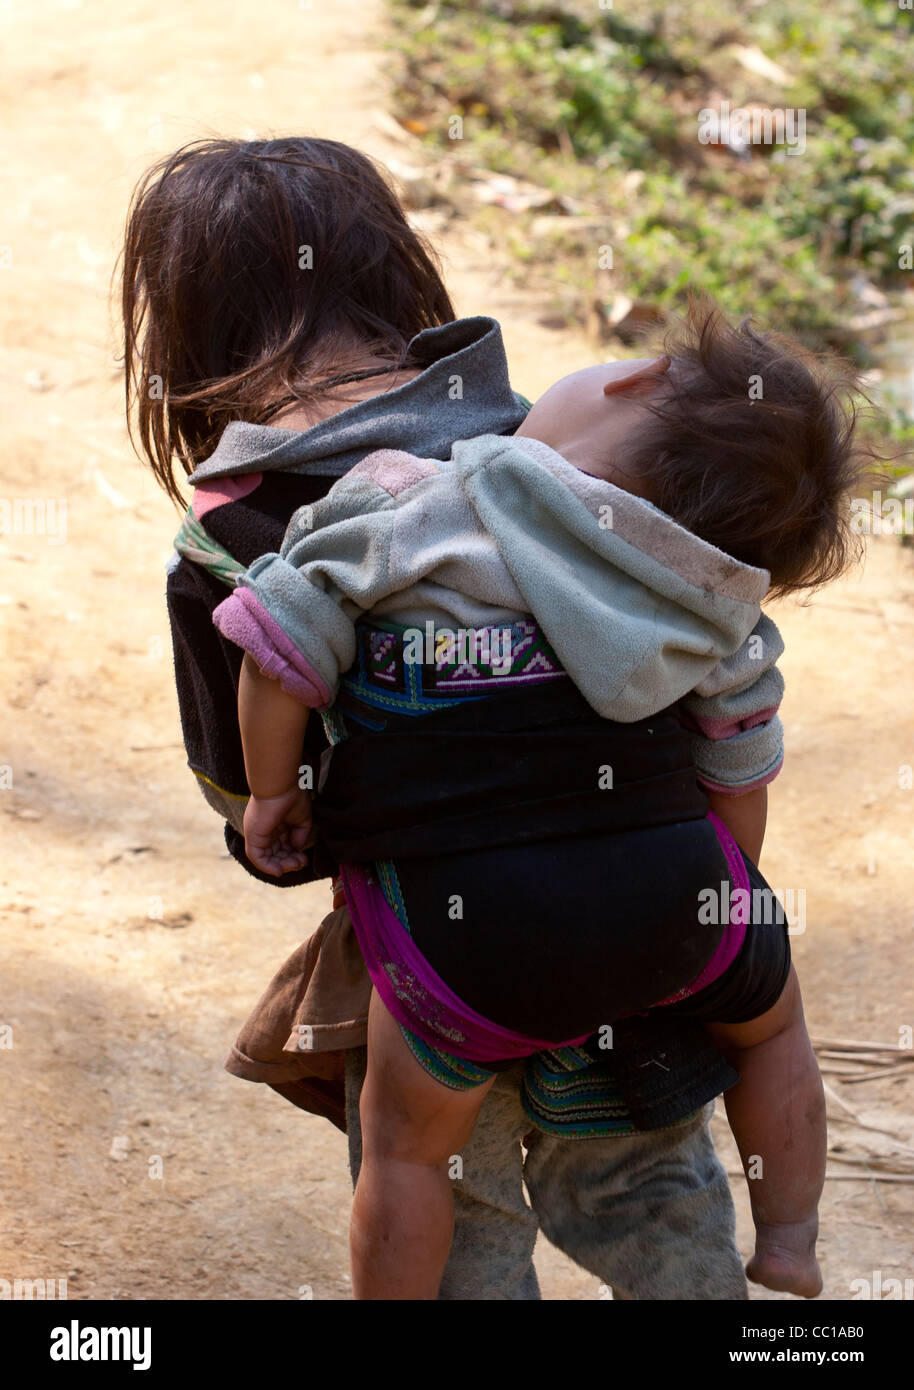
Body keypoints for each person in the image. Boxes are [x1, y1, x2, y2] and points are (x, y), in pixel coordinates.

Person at [123, 136, 751, 1300]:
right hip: (649, 915)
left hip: (437, 959)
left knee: (441, 1205)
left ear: (182, 340)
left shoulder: (230, 546)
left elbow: (262, 815)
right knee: (650, 1191)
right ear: (402, 283)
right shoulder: (557, 447)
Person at [217, 299, 870, 1300]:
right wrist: (722, 894)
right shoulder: (709, 602)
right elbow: (737, 765)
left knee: (407, 1156)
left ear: (631, 380)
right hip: (670, 899)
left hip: (468, 936)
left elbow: (279, 647)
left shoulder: (408, 506)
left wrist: (272, 795)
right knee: (770, 1031)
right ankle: (787, 1240)